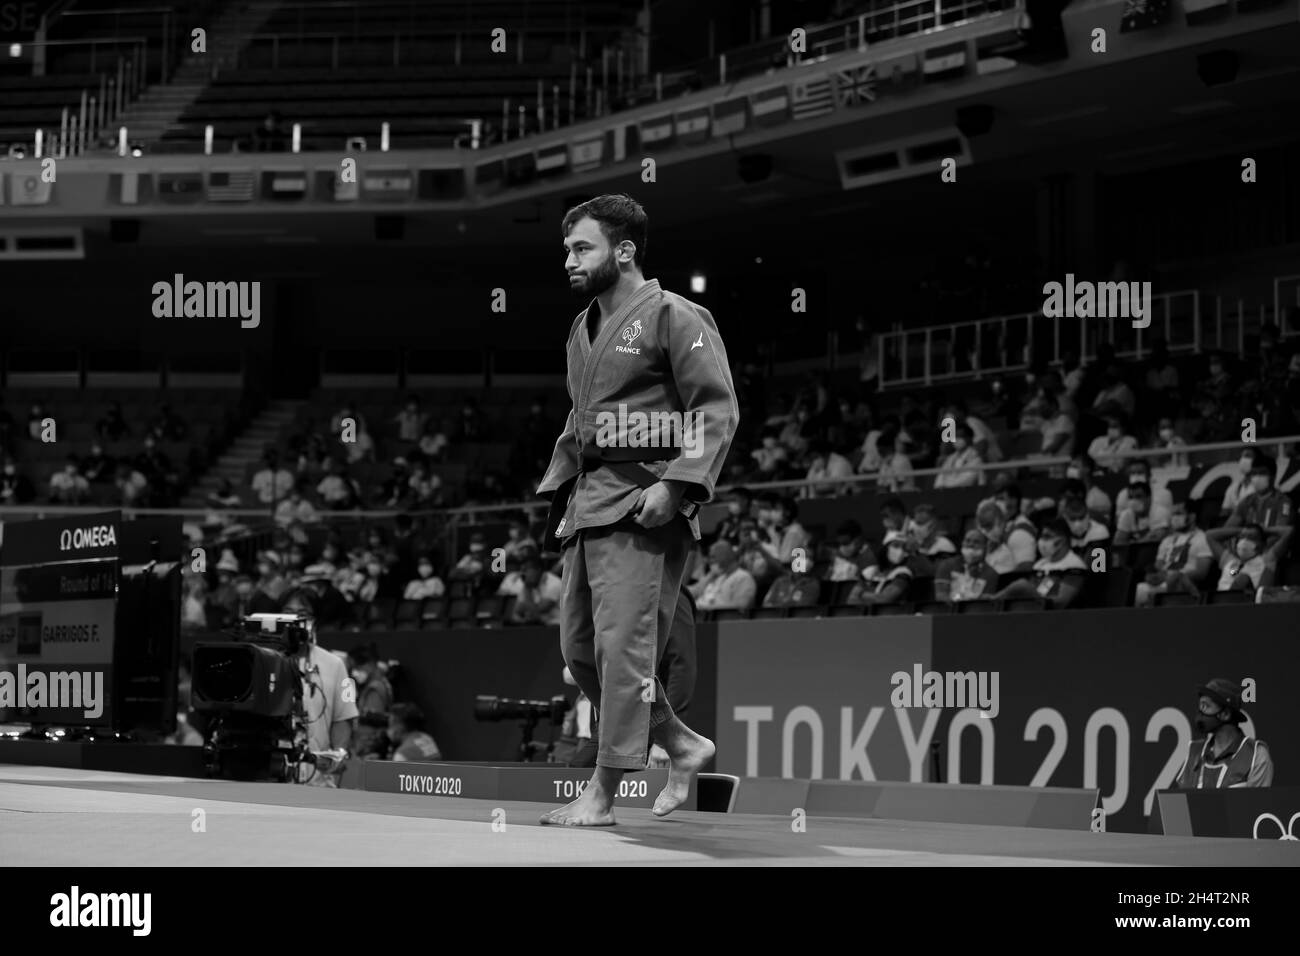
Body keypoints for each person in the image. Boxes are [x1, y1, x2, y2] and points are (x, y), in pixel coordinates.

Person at [536, 194, 737, 826]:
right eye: (567, 249)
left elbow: (716, 407)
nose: (569, 261)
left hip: (644, 498)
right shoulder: (582, 328)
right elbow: (582, 419)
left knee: (623, 651)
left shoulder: (675, 315)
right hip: (589, 500)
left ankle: (602, 793)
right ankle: (680, 742)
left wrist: (677, 485)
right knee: (580, 651)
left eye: (582, 248)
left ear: (623, 251)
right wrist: (560, 489)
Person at [279, 589, 359, 787]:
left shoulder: (336, 663)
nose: (295, 619)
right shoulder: (264, 660)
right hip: (271, 777)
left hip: (317, 778)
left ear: (315, 621)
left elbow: (344, 716)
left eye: (303, 613)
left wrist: (338, 755)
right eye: (288, 612)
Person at [1174, 678, 1273, 789]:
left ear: (1225, 714)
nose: (1200, 712)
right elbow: (1180, 799)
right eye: (1200, 706)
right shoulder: (1194, 752)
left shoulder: (1256, 755)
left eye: (1206, 706)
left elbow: (1258, 800)